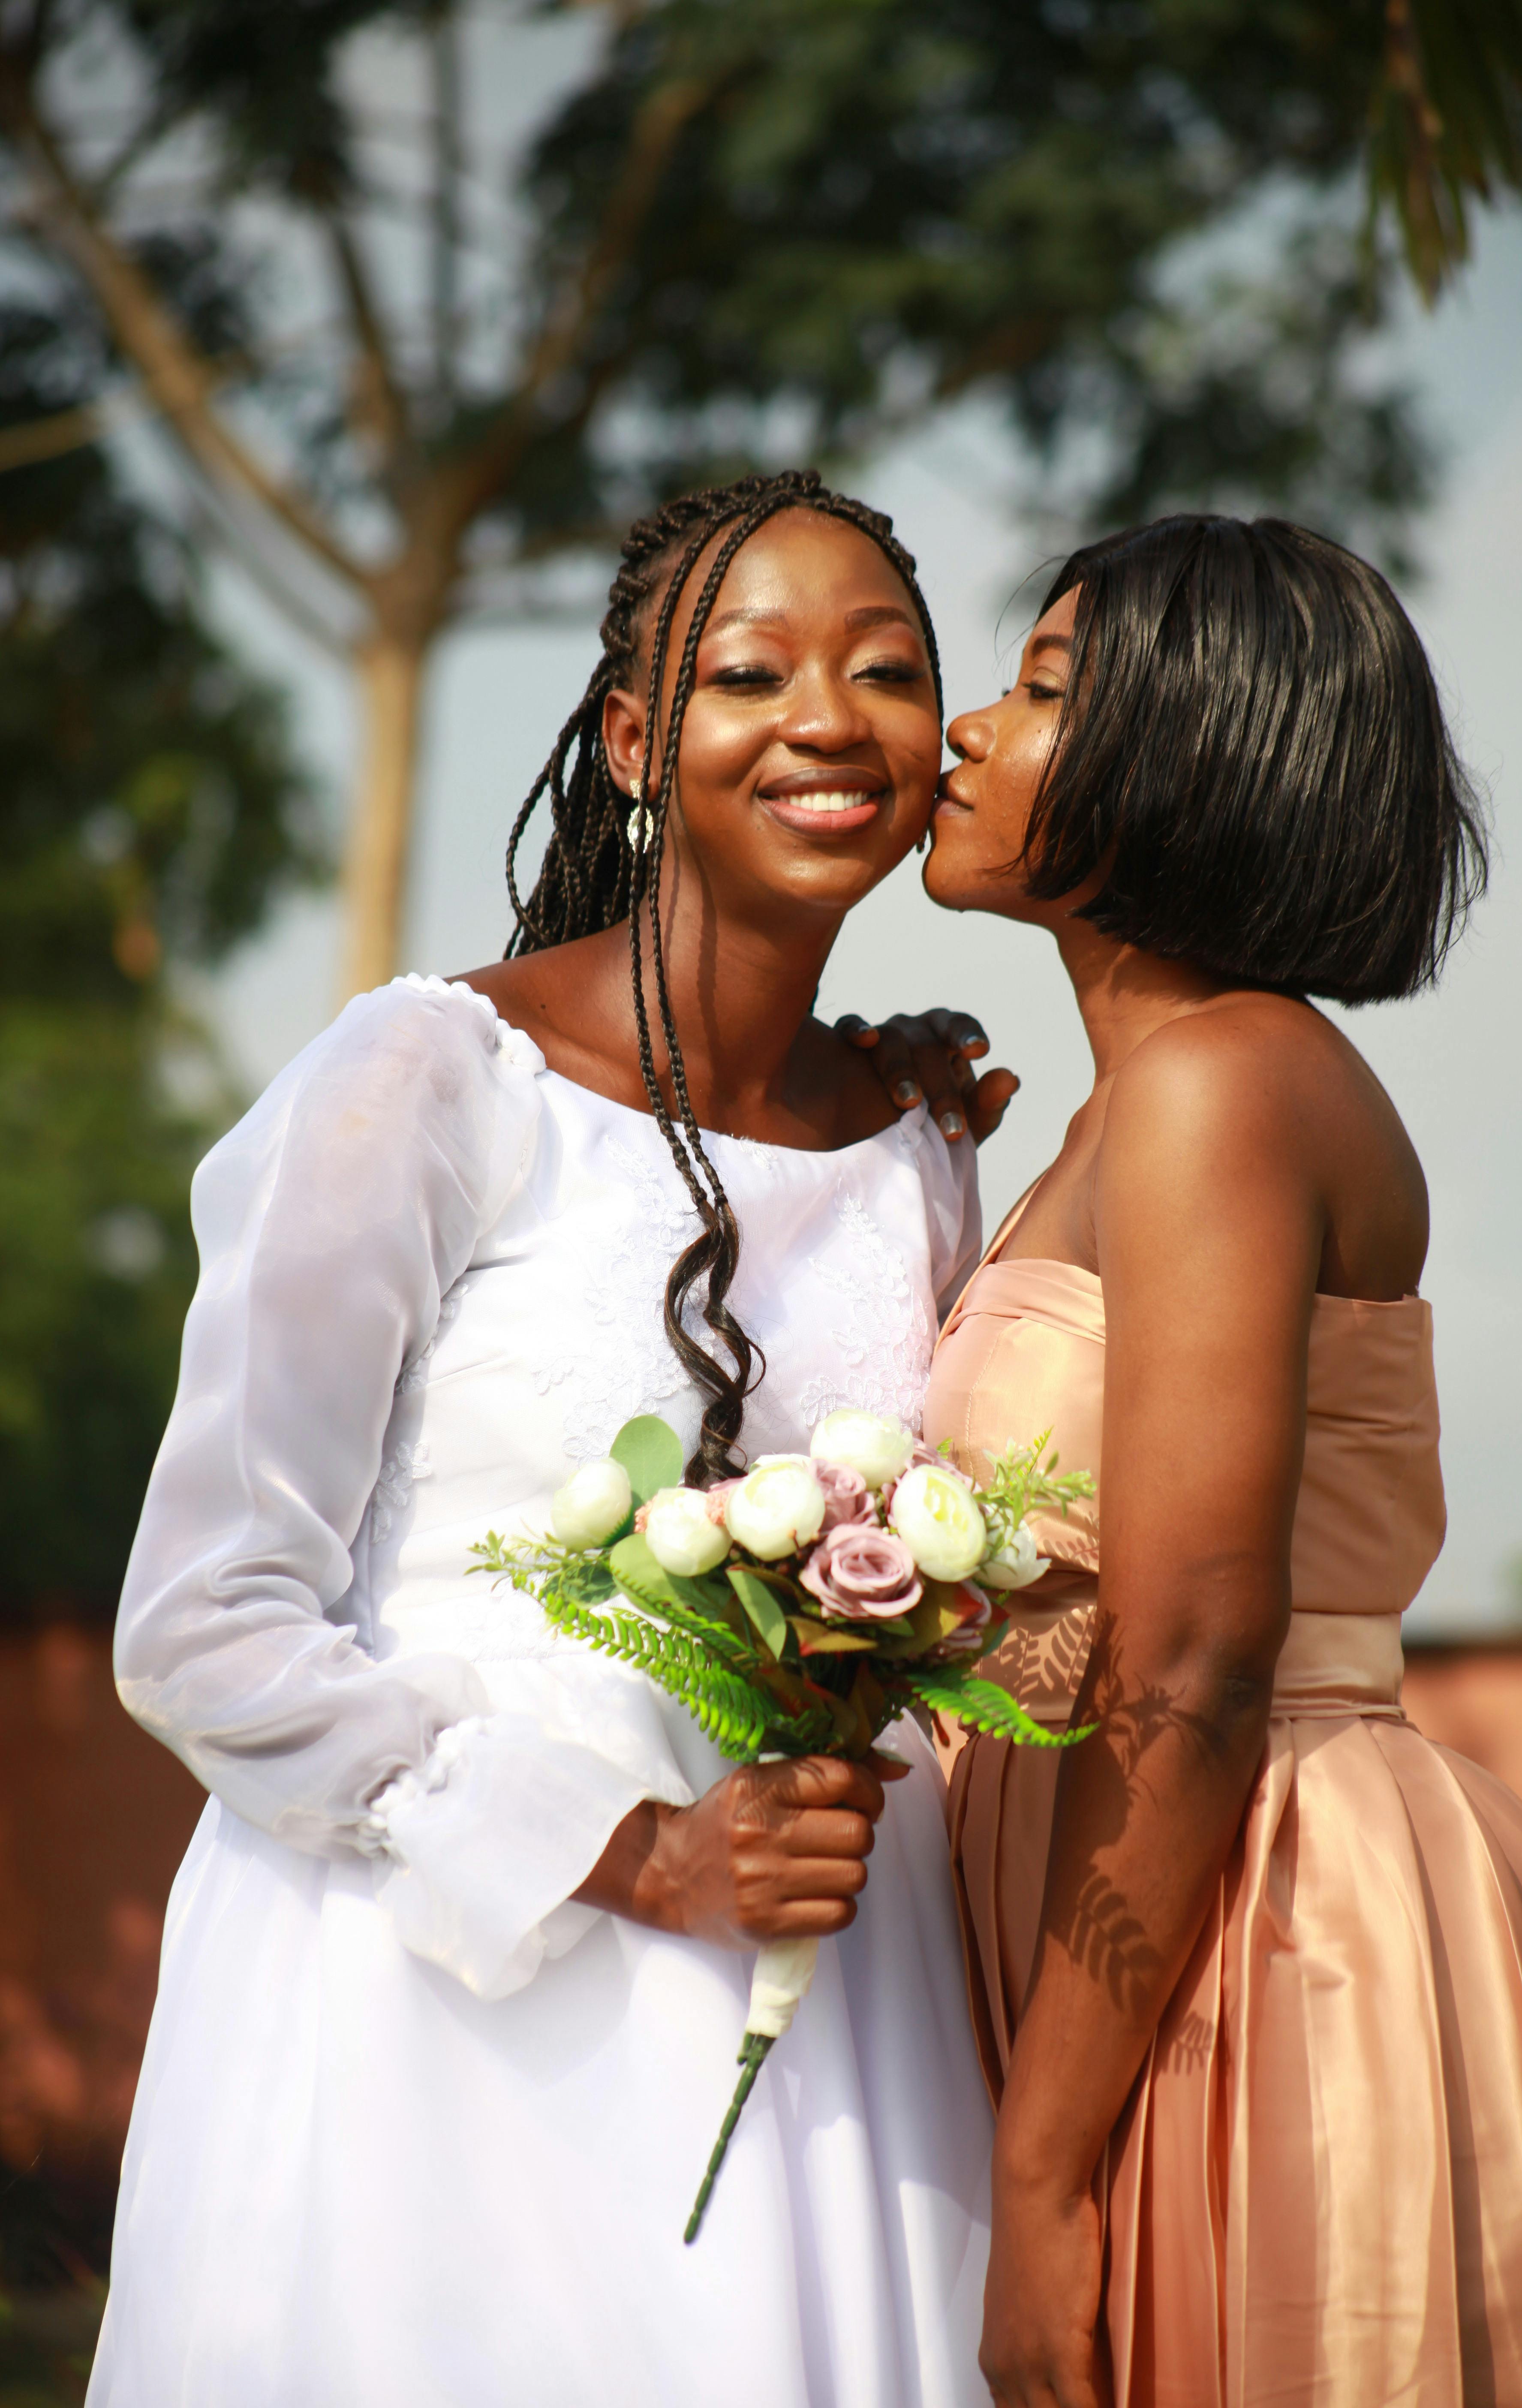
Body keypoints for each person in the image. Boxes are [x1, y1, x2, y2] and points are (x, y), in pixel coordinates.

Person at [91, 470, 1011, 2408]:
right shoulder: (424, 1079)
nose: (830, 720)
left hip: (836, 2016)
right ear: (633, 745)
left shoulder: (922, 1146)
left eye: (887, 672)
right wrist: (637, 1854)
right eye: (751, 673)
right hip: (435, 2015)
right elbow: (203, 1625)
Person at [921, 514, 1522, 2407]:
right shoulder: (1119, 1113)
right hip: (1124, 1922)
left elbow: (1200, 1655)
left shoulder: (1220, 1086)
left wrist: (1043, 2178)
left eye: (1042, 690)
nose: (967, 727)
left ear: (1189, 755)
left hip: (1244, 1923)